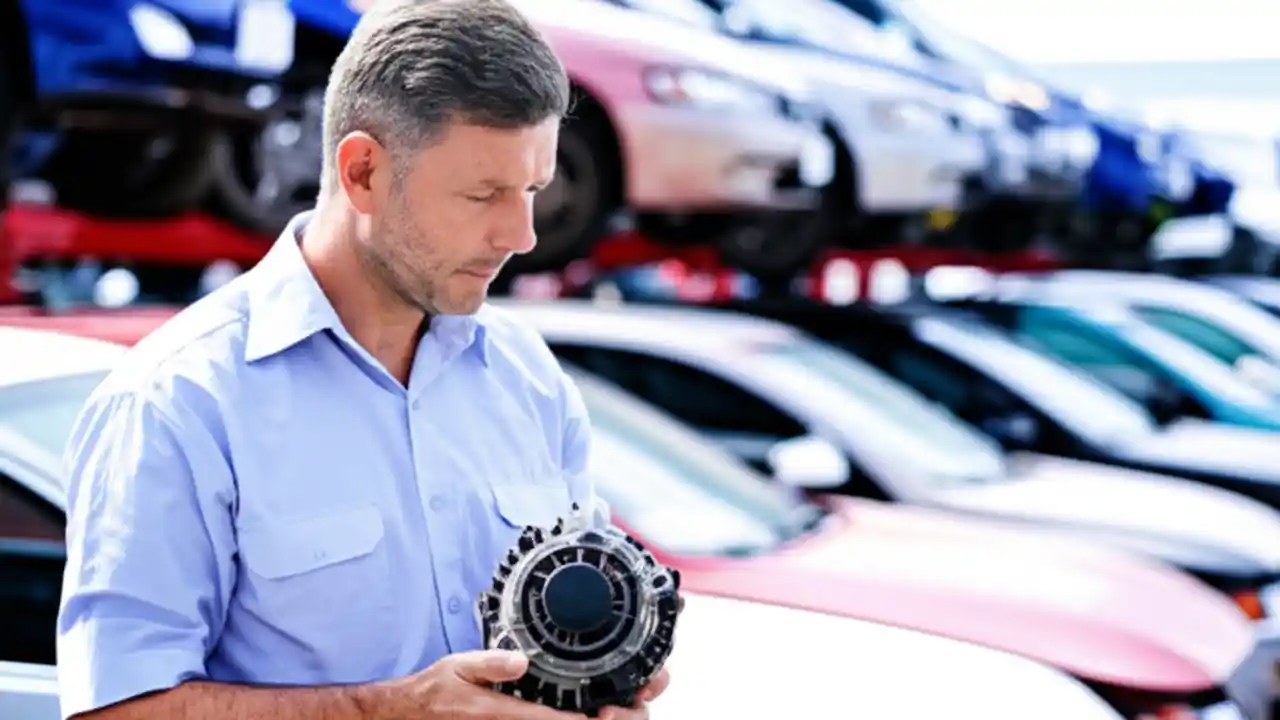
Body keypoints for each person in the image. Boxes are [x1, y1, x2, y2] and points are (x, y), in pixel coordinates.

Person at [54, 0, 672, 718]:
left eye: (532, 189)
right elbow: (115, 709)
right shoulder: (176, 402)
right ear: (363, 173)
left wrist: (606, 684)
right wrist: (390, 710)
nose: (523, 234)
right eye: (484, 194)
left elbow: (585, 634)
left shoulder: (528, 378)